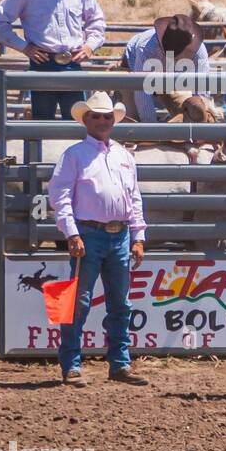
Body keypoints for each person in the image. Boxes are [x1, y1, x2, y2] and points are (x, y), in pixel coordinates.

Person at [47, 91, 149, 387]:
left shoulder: (123, 155)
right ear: (86, 120)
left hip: (119, 234)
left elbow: (134, 197)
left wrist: (138, 236)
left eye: (106, 116)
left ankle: (119, 363)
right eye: (97, 116)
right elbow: (60, 197)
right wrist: (72, 232)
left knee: (121, 304)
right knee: (79, 302)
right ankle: (72, 364)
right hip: (88, 234)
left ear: (112, 120)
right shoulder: (74, 155)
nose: (102, 121)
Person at [122, 14, 209, 122]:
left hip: (170, 78)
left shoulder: (198, 51)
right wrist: (151, 129)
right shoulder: (146, 48)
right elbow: (141, 90)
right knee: (133, 122)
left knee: (192, 113)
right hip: (133, 68)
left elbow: (201, 90)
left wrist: (199, 118)